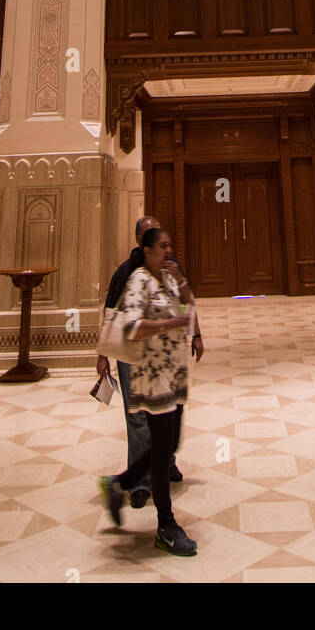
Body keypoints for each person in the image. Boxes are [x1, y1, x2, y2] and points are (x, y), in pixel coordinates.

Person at [99, 227, 197, 555]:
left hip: (174, 373)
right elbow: (132, 326)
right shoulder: (138, 281)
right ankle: (166, 525)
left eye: (170, 245)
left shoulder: (169, 278)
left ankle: (119, 484)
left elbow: (187, 312)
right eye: (163, 246)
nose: (168, 251)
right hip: (153, 377)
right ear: (147, 250)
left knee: (166, 443)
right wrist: (171, 325)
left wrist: (182, 288)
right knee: (161, 448)